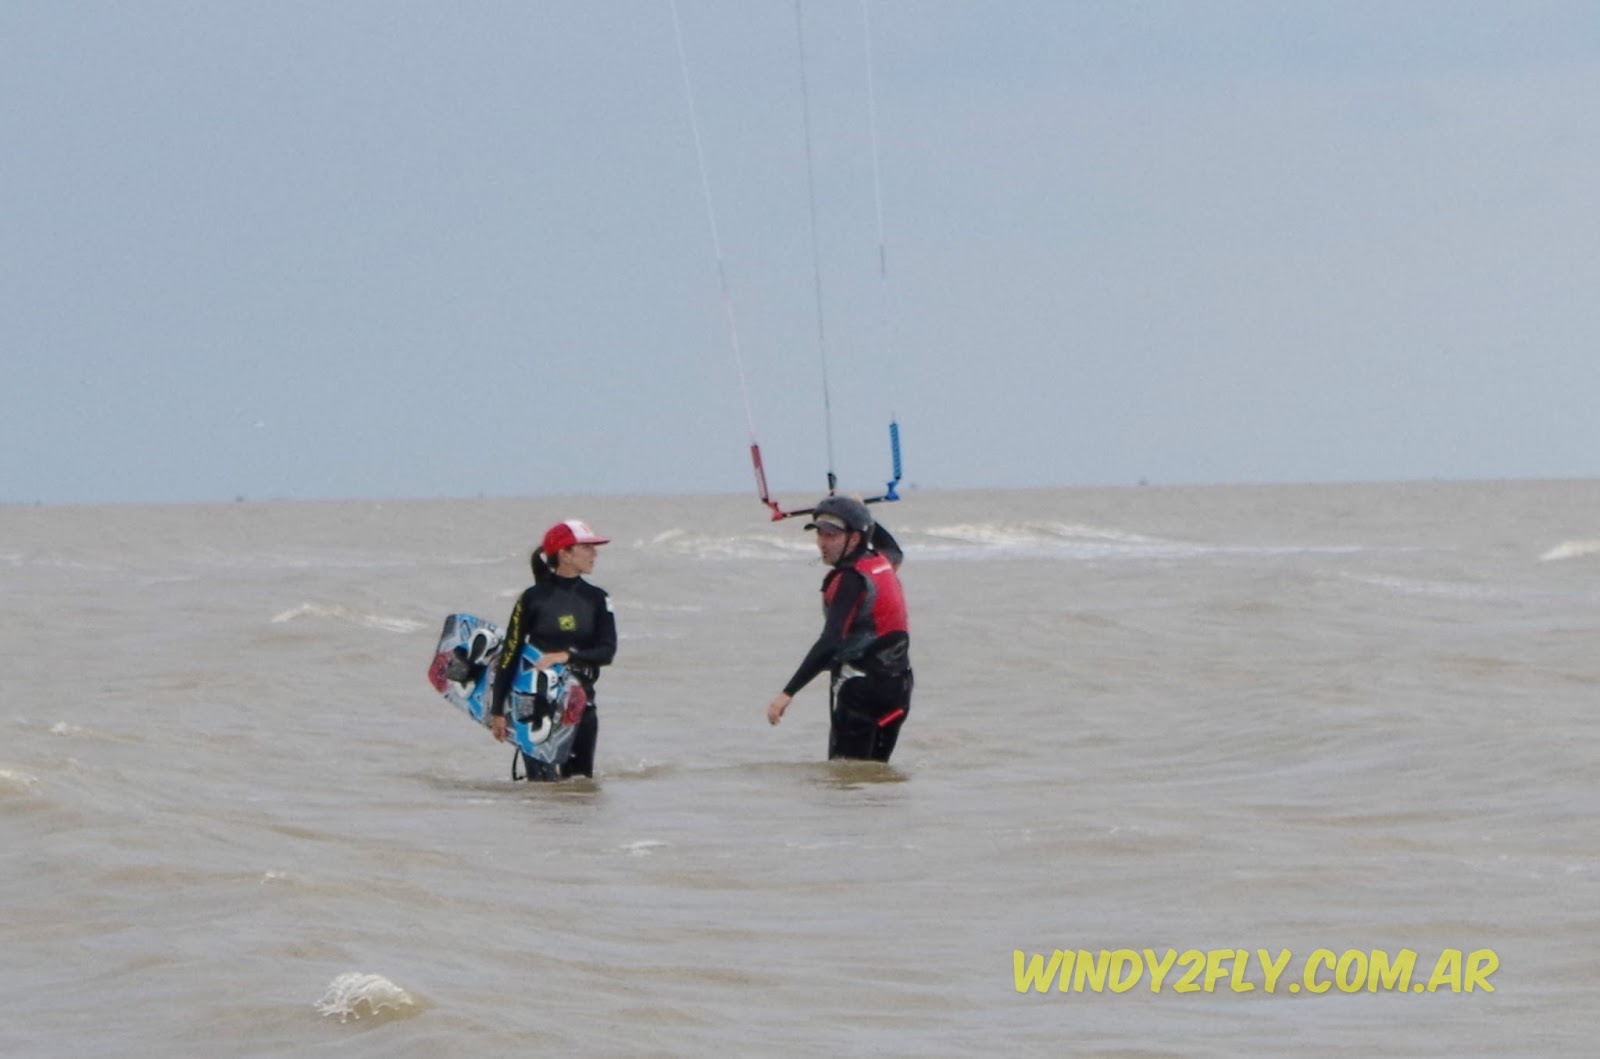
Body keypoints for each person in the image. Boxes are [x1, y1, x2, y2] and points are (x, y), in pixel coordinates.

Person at [766, 496, 913, 762]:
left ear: (854, 539)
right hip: (897, 692)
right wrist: (864, 514)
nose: (822, 543)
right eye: (820, 534)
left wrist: (787, 693)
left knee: (845, 784)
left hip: (861, 695)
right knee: (873, 783)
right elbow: (893, 548)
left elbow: (830, 642)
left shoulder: (849, 580)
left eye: (832, 536)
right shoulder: (882, 563)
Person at [489, 519, 617, 780]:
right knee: (541, 790)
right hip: (535, 710)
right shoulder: (532, 599)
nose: (595, 554)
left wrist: (567, 656)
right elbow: (510, 654)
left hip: (580, 708)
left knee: (579, 789)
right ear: (565, 553)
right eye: (587, 547)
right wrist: (497, 710)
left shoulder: (598, 599)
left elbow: (607, 652)